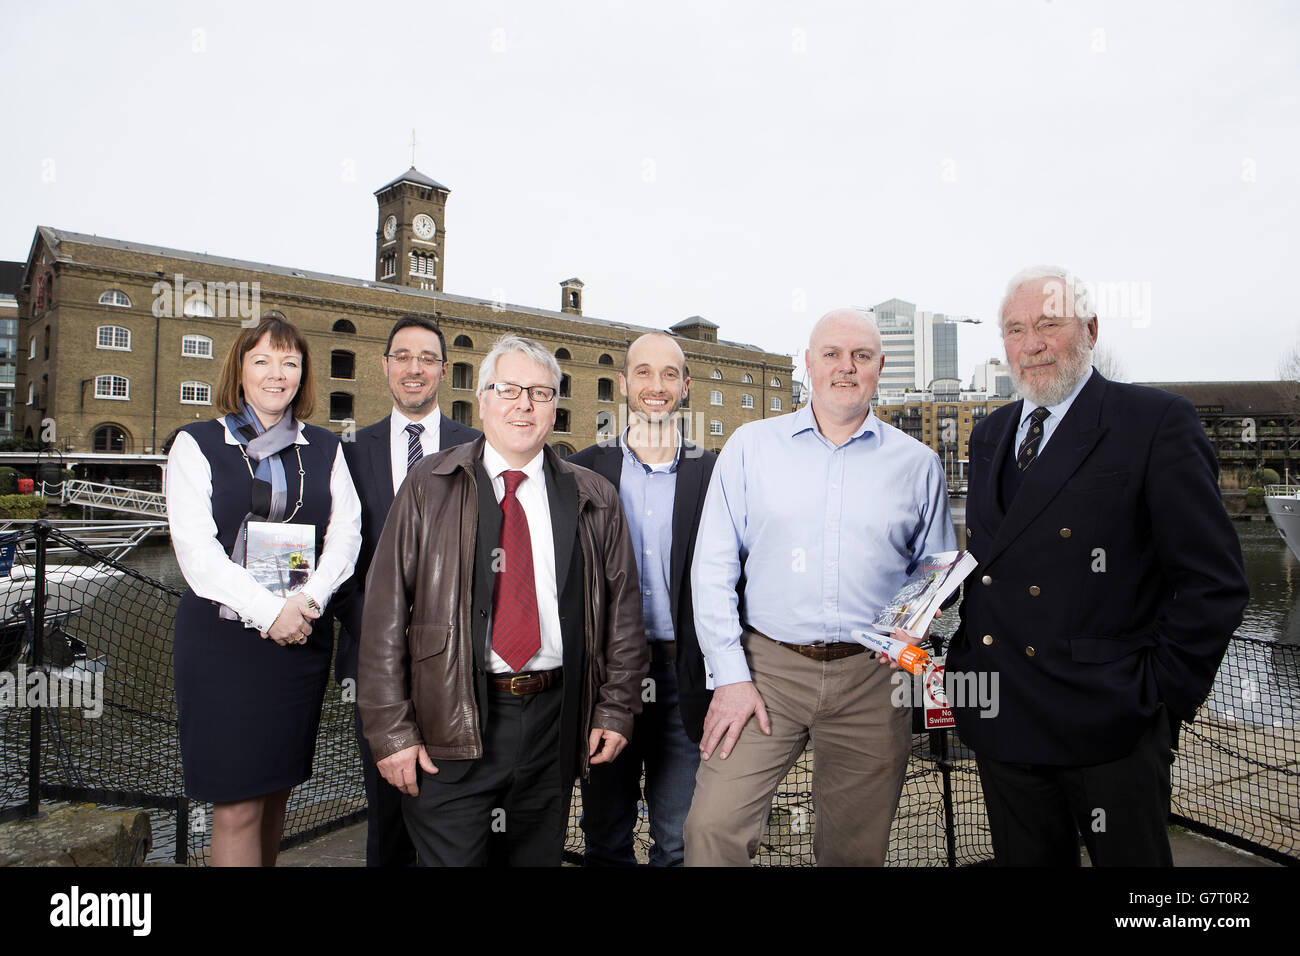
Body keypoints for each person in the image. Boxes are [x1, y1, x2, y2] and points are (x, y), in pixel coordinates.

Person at [948, 266, 1249, 866]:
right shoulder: (990, 433)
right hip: (1003, 717)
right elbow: (988, 562)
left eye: (1048, 325)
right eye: (1014, 329)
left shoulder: (1153, 422)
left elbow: (1213, 582)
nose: (1030, 344)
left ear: (1089, 328)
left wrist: (1158, 696)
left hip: (1109, 723)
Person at [357, 334, 649, 866]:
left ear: (554, 407)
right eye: (509, 389)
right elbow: (383, 615)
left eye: (539, 393)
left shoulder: (592, 496)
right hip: (449, 725)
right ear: (484, 399)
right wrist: (391, 731)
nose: (524, 405)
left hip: (554, 727)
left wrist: (616, 707)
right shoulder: (430, 483)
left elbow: (623, 618)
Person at [684, 308, 955, 866]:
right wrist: (730, 676)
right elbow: (712, 567)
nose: (845, 368)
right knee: (712, 829)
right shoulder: (749, 447)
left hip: (871, 678)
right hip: (765, 671)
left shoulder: (918, 464)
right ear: (809, 364)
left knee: (853, 853)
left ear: (880, 367)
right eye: (831, 354)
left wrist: (914, 648)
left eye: (861, 356)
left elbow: (936, 580)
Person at [166, 316, 362, 866]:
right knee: (237, 805)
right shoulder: (197, 444)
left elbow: (346, 534)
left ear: (303, 375)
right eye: (263, 361)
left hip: (299, 636)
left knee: (277, 791)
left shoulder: (325, 447)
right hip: (224, 645)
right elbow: (197, 554)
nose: (278, 374)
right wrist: (267, 610)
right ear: (240, 369)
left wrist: (309, 602)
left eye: (290, 363)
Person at [330, 315, 480, 867]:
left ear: (443, 369)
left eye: (426, 358)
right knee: (387, 814)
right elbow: (340, 559)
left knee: (458, 812)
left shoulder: (478, 447)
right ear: (386, 365)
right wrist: (380, 632)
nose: (413, 369)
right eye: (402, 356)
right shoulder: (349, 451)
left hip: (461, 662)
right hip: (376, 663)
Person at [569, 331, 716, 866]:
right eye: (644, 373)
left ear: (686, 386)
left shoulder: (715, 472)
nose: (657, 386)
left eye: (670, 374)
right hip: (609, 679)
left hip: (688, 677)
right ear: (625, 382)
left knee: (678, 836)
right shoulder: (582, 471)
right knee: (606, 833)